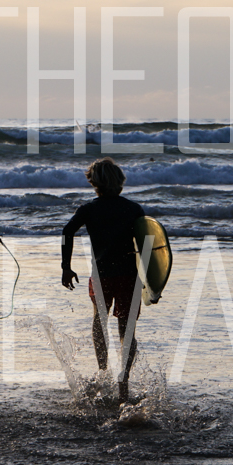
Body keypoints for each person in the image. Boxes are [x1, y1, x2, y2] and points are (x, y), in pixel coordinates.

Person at [61, 158, 146, 402]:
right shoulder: (133, 209)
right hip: (129, 276)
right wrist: (152, 281)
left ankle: (102, 371)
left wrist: (66, 267)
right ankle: (124, 380)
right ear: (120, 182)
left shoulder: (88, 209)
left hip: (101, 275)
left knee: (100, 319)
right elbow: (148, 244)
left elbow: (67, 231)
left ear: (93, 183)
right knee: (126, 328)